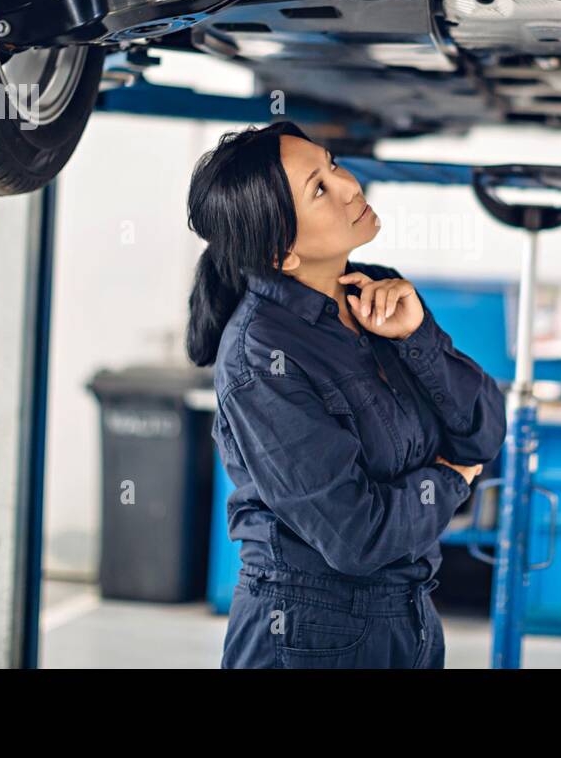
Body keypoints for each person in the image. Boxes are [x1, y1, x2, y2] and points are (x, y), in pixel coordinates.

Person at [186, 120, 506, 668]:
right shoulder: (260, 356)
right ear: (282, 253)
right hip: (309, 633)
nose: (349, 186)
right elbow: (356, 535)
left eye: (332, 165)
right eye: (319, 189)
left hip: (410, 616)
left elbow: (483, 430)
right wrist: (452, 477)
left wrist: (416, 337)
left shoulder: (377, 291)